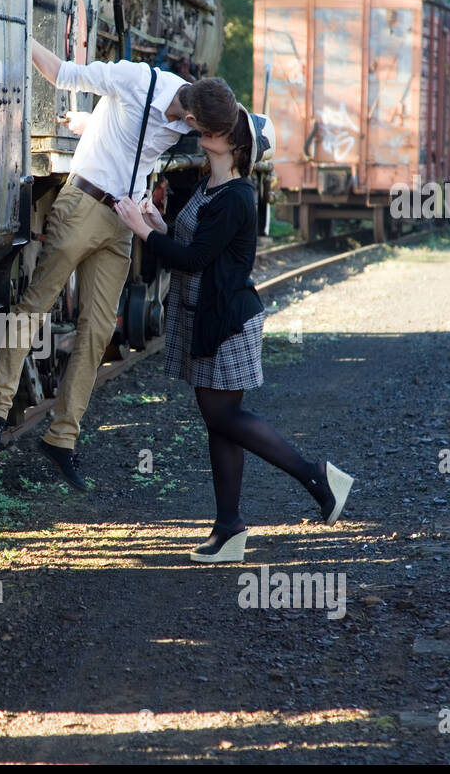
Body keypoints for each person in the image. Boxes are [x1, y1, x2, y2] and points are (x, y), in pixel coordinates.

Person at [113, 78, 353, 562]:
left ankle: (317, 476)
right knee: (218, 423)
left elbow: (194, 260)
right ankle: (230, 530)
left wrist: (141, 232)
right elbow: (191, 243)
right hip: (206, 316)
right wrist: (159, 225)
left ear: (235, 143)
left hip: (227, 323)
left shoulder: (237, 196)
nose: (203, 130)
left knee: (223, 416)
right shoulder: (210, 185)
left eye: (215, 127)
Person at [0, 37, 214, 491]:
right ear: (189, 118)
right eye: (200, 132)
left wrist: (92, 122)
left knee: (99, 328)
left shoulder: (193, 110)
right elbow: (63, 72)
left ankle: (61, 439)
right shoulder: (133, 79)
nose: (202, 140)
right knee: (37, 303)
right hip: (83, 205)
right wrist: (22, 35)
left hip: (123, 223)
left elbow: (137, 135)